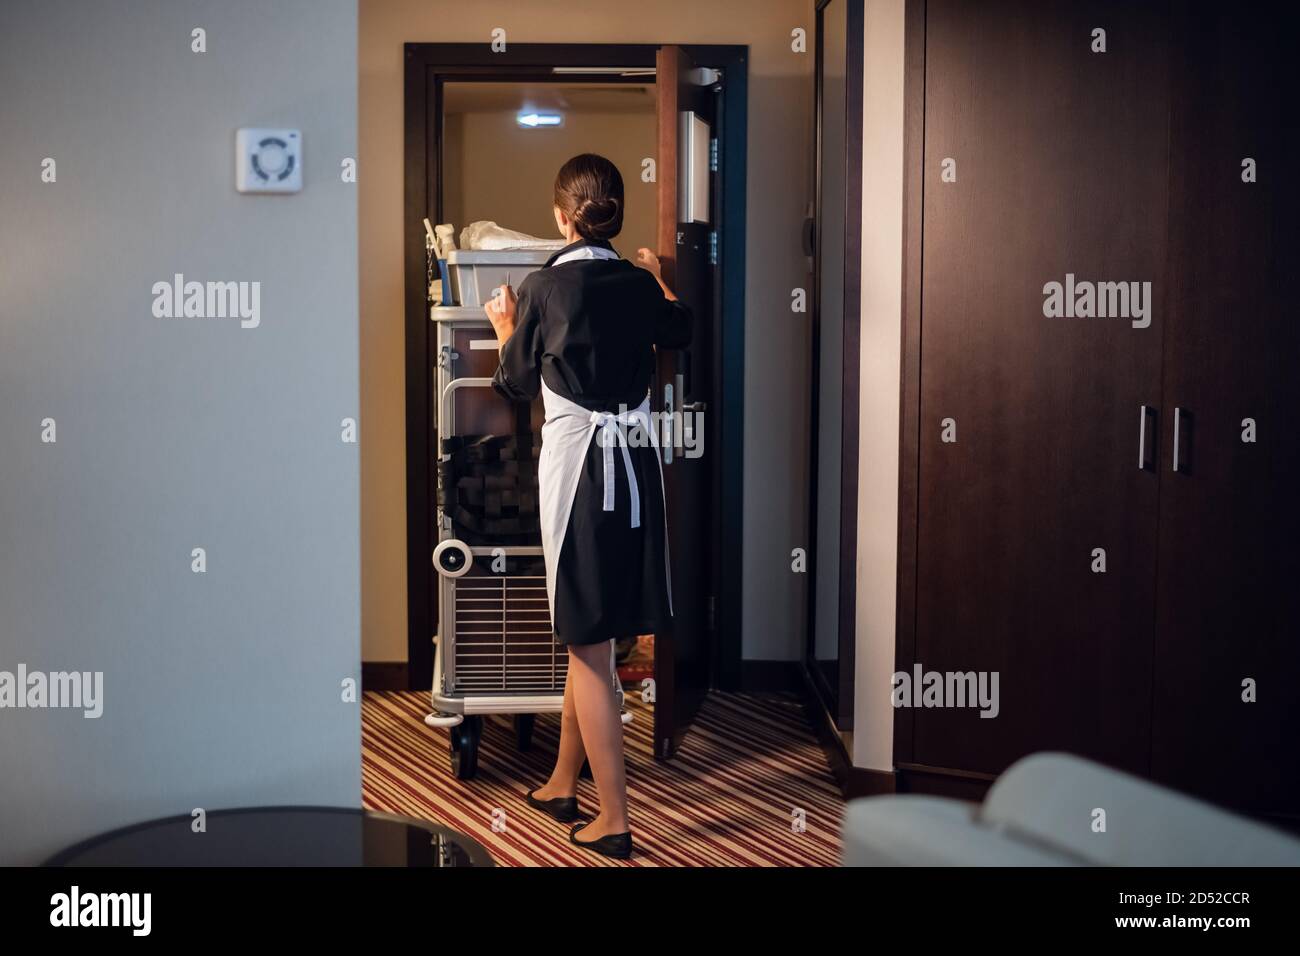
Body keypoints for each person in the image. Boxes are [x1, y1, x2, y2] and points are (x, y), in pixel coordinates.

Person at [485, 153, 692, 859]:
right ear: (615, 213)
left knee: (585, 644)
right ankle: (562, 780)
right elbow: (680, 327)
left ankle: (615, 819)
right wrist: (660, 281)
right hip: (636, 464)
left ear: (561, 215)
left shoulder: (543, 288)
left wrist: (505, 324)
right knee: (596, 638)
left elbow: (513, 384)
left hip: (579, 473)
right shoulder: (637, 286)